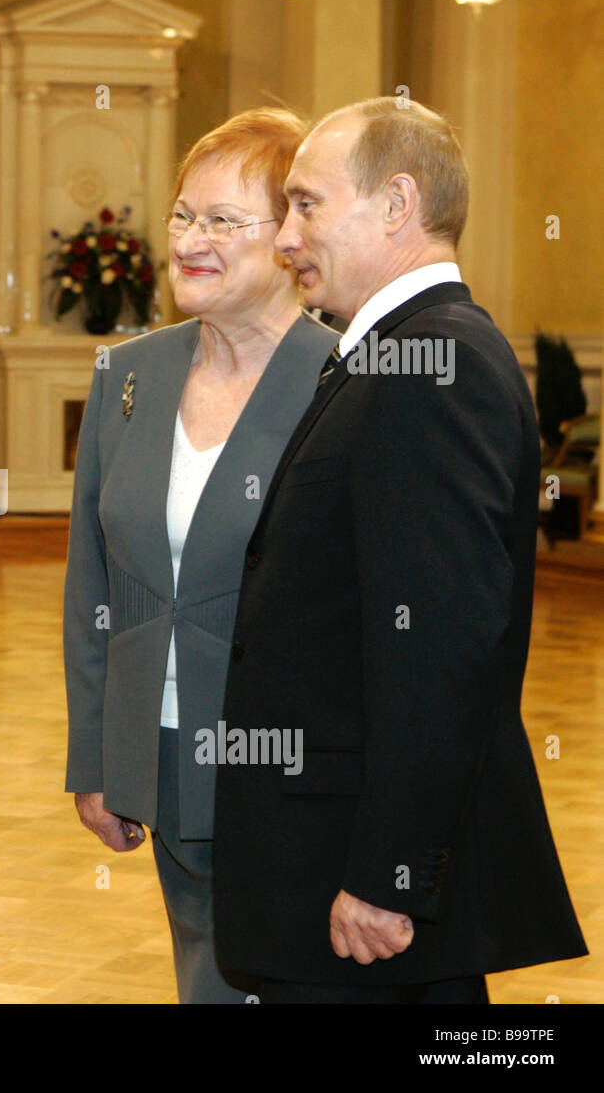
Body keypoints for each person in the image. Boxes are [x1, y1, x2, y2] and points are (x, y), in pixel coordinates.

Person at [211, 97, 588, 1003]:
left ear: (397, 205)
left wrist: (391, 875)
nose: (286, 236)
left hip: (366, 896)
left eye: (306, 205)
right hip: (335, 865)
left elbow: (441, 649)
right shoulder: (394, 354)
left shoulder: (432, 367)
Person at [63, 109, 338, 1002]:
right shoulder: (128, 375)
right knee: (205, 975)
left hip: (296, 775)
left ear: (293, 237)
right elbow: (91, 585)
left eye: (224, 221)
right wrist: (99, 758)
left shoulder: (348, 383)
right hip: (166, 750)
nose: (190, 241)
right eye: (184, 216)